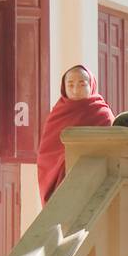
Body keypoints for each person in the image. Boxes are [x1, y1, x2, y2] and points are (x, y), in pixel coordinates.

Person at [37, 65, 115, 204]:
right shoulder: (57, 113)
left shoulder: (102, 113)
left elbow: (110, 147)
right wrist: (62, 160)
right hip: (60, 179)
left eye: (81, 84)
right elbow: (47, 154)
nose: (75, 90)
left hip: (91, 177)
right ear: (64, 87)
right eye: (70, 85)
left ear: (91, 85)